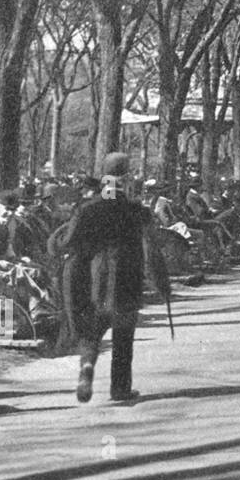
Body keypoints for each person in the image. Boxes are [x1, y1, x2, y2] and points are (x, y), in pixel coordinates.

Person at [62, 152, 171, 404]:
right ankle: (120, 389)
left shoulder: (89, 209)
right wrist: (162, 284)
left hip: (96, 278)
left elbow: (70, 243)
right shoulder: (136, 212)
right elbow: (152, 249)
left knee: (93, 329)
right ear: (126, 177)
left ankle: (87, 366)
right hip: (128, 278)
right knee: (123, 337)